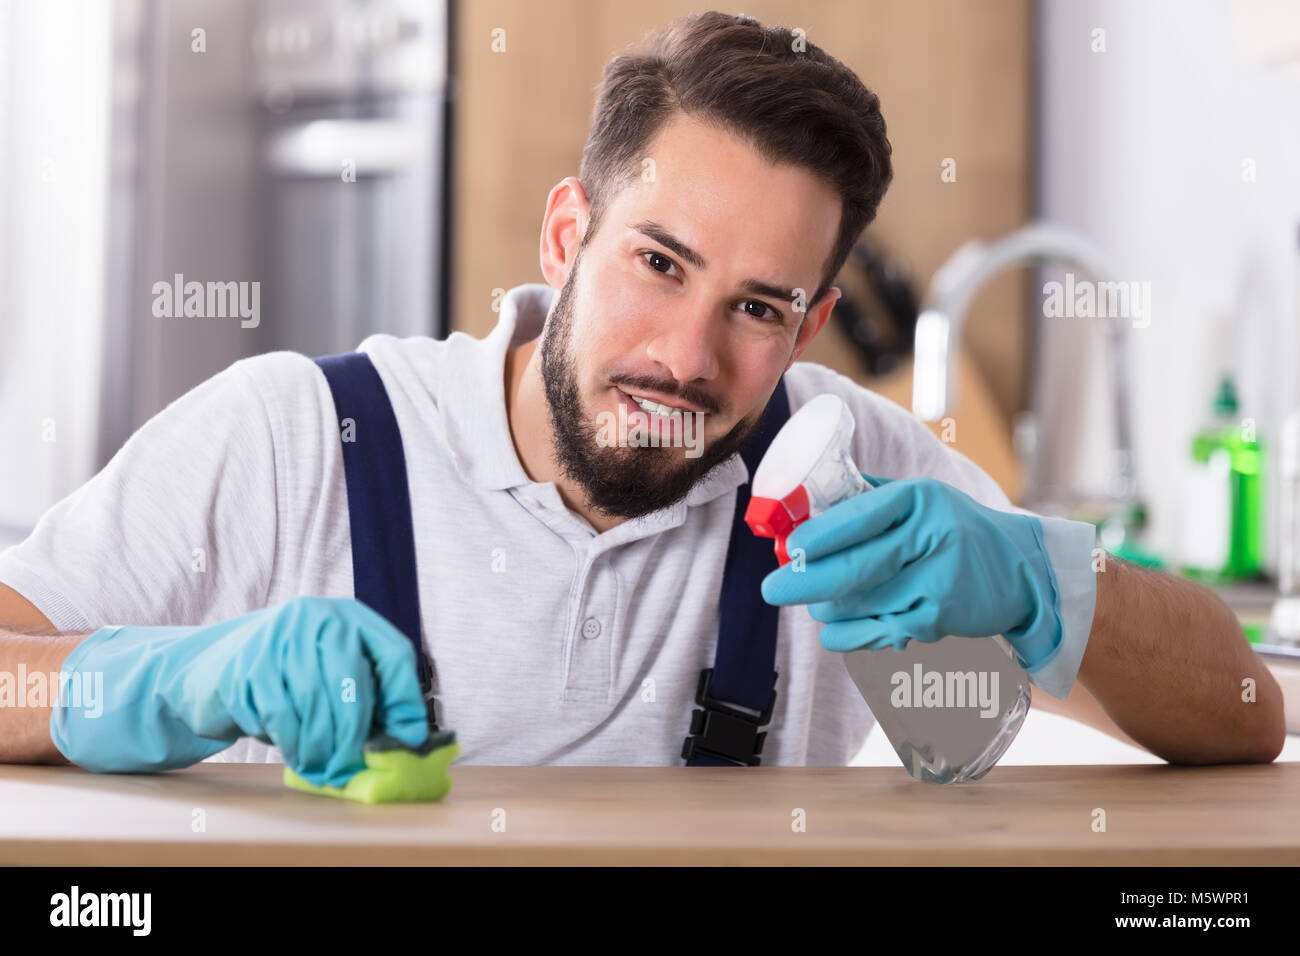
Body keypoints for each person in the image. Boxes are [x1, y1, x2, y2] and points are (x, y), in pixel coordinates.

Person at [0, 12, 1283, 788]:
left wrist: (1041, 586)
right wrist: (175, 679)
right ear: (567, 233)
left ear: (811, 325)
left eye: (757, 306)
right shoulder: (294, 436)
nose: (684, 355)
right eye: (657, 263)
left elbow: (1243, 711)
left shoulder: (855, 479)